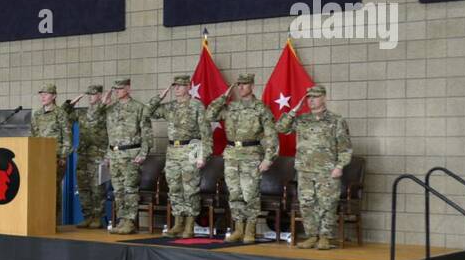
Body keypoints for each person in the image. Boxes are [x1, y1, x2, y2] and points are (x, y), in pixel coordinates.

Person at [274, 84, 353, 250]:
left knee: (327, 203)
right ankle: (311, 235)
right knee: (307, 203)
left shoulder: (336, 120)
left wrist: (339, 166)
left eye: (315, 97)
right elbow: (280, 127)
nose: (311, 100)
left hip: (327, 170)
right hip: (305, 170)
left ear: (324, 98)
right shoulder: (302, 120)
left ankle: (325, 237)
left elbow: (345, 147)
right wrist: (295, 109)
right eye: (309, 97)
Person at [205, 73, 277, 244]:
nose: (241, 87)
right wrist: (223, 97)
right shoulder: (231, 107)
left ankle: (250, 230)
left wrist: (269, 158)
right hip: (231, 154)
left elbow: (272, 135)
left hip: (251, 154)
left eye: (245, 84)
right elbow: (209, 115)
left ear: (252, 85)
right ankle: (238, 229)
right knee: (235, 194)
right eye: (239, 84)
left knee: (250, 194)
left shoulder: (261, 108)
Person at [148, 75, 207, 238]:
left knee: (190, 189)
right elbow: (148, 112)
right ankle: (178, 223)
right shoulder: (170, 106)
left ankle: (189, 225)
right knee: (174, 189)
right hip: (173, 150)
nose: (177, 89)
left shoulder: (197, 105)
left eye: (181, 86)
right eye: (175, 86)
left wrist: (202, 155)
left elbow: (205, 132)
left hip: (192, 147)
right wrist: (160, 97)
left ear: (188, 86)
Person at [104, 78, 153, 234]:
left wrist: (143, 153)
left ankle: (130, 222)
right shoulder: (110, 109)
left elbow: (147, 133)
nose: (117, 91)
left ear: (128, 89)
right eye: (115, 89)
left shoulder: (139, 108)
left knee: (130, 189)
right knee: (118, 190)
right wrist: (108, 154)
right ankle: (122, 220)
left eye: (120, 88)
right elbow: (101, 126)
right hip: (115, 154)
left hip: (131, 154)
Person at [30, 82, 72, 226]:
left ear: (54, 96)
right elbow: (34, 136)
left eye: (46, 94)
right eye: (41, 94)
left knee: (53, 190)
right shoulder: (37, 114)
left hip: (55, 159)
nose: (43, 97)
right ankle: (40, 219)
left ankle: (53, 220)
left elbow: (67, 138)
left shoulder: (61, 113)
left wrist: (63, 157)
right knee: (40, 190)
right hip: (40, 159)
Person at [73, 84, 109, 228]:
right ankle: (87, 216)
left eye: (93, 95)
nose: (90, 97)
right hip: (83, 154)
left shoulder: (106, 111)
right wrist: (72, 103)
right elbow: (64, 114)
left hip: (98, 154)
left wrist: (108, 155)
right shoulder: (83, 113)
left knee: (97, 188)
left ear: (100, 95)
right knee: (83, 187)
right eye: (88, 95)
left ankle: (97, 218)